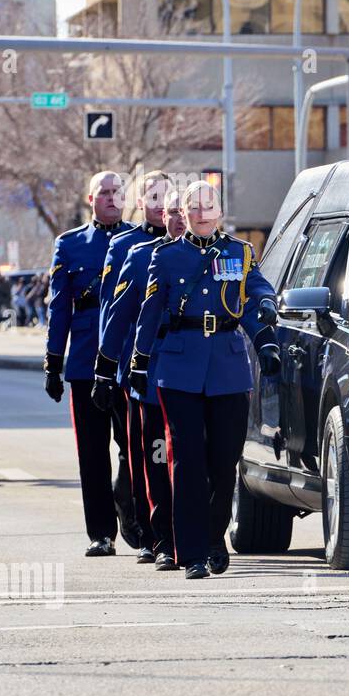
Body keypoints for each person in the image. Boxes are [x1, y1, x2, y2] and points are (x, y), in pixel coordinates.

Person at [130, 181, 281, 579]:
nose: (199, 214)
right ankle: (192, 552)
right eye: (192, 207)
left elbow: (253, 294)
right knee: (187, 461)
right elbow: (150, 310)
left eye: (206, 206)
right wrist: (139, 359)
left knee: (224, 462)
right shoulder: (166, 256)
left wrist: (266, 333)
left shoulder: (239, 252)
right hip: (179, 367)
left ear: (219, 212)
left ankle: (214, 536)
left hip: (228, 368)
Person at [44, 170, 137, 556]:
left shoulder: (142, 240)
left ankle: (130, 511)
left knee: (134, 448)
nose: (112, 198)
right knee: (92, 453)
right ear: (90, 198)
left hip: (130, 363)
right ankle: (101, 533)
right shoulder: (70, 245)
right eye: (104, 192)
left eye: (118, 192)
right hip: (85, 362)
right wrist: (53, 362)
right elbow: (59, 307)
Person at [92, 171, 174, 564]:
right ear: (140, 203)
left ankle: (182, 529)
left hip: (180, 366)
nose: (160, 205)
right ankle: (143, 531)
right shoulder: (125, 245)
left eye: (166, 197)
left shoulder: (191, 245)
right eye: (152, 197)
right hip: (136, 369)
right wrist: (108, 369)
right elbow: (113, 313)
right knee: (139, 453)